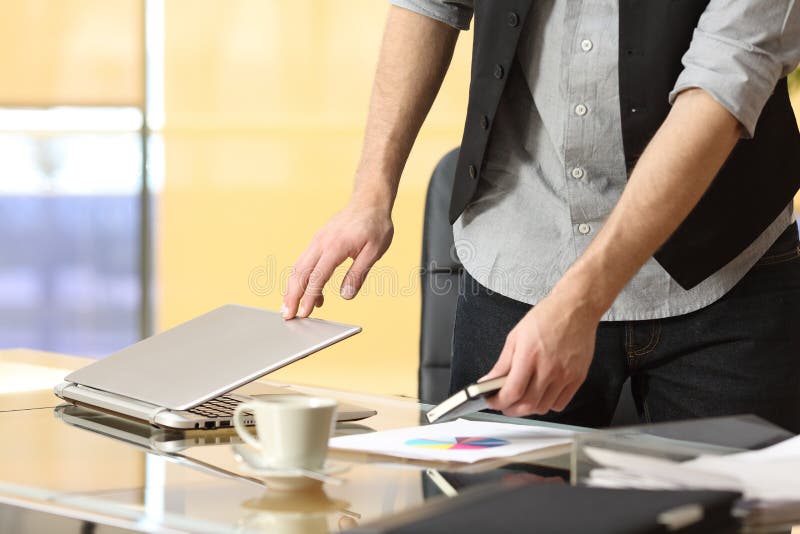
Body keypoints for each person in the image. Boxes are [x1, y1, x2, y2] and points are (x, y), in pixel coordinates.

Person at [282, 1, 800, 432]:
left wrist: (578, 303)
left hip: (726, 275)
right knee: (496, 509)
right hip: (522, 254)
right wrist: (371, 193)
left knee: (733, 509)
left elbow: (724, 83)